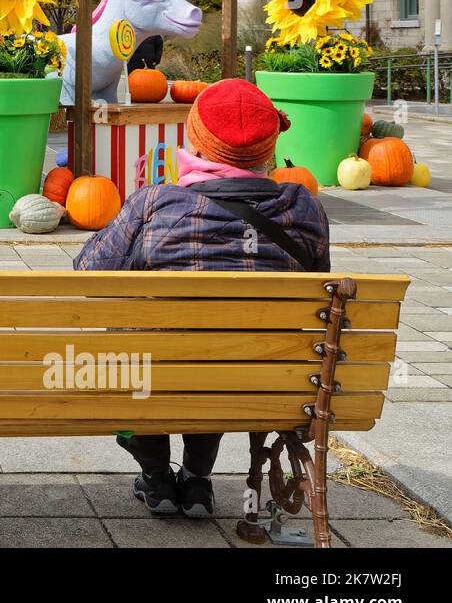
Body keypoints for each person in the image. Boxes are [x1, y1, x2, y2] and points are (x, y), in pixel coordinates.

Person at [73, 79, 330, 518]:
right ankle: (195, 480)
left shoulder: (154, 202)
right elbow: (320, 286)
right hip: (256, 380)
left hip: (152, 378)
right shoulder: (303, 207)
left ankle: (157, 478)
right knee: (216, 353)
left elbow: (87, 272)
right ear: (268, 148)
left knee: (133, 352)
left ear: (194, 139)